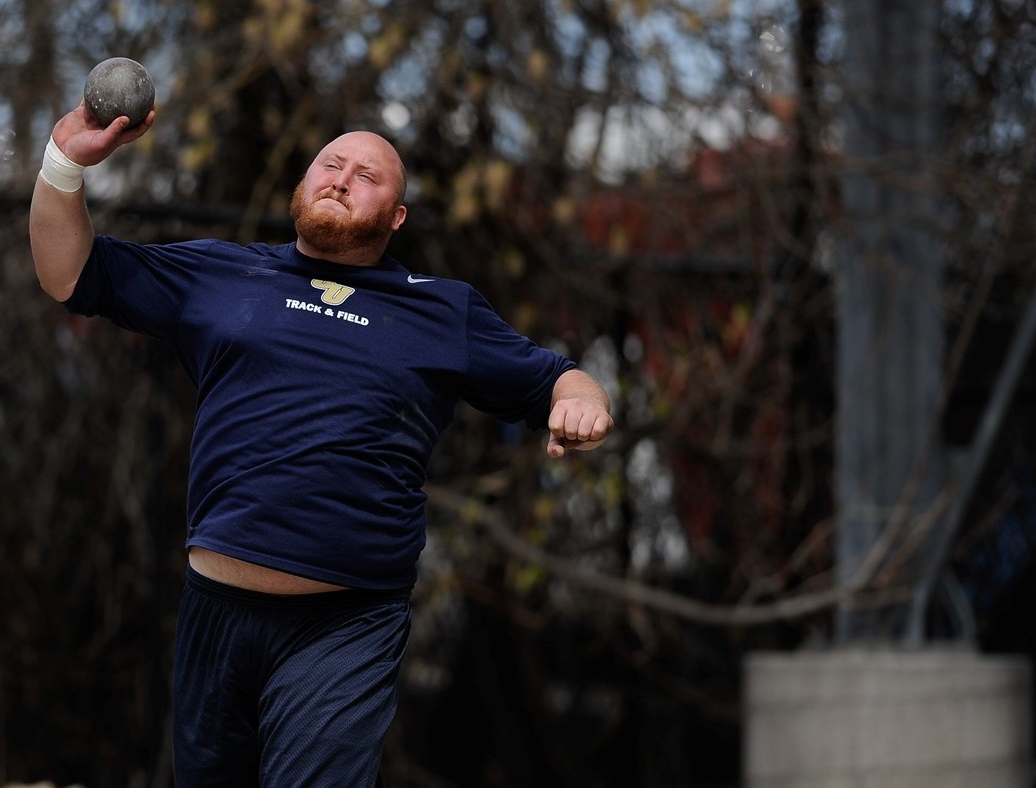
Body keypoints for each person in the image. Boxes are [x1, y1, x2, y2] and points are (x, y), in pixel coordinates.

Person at [30, 102, 613, 788]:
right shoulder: (223, 277)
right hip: (215, 614)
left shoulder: (442, 311)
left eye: (366, 175)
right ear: (303, 185)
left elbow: (558, 377)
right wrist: (64, 163)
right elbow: (69, 273)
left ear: (396, 217)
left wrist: (581, 402)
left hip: (344, 624)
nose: (341, 179)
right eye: (330, 165)